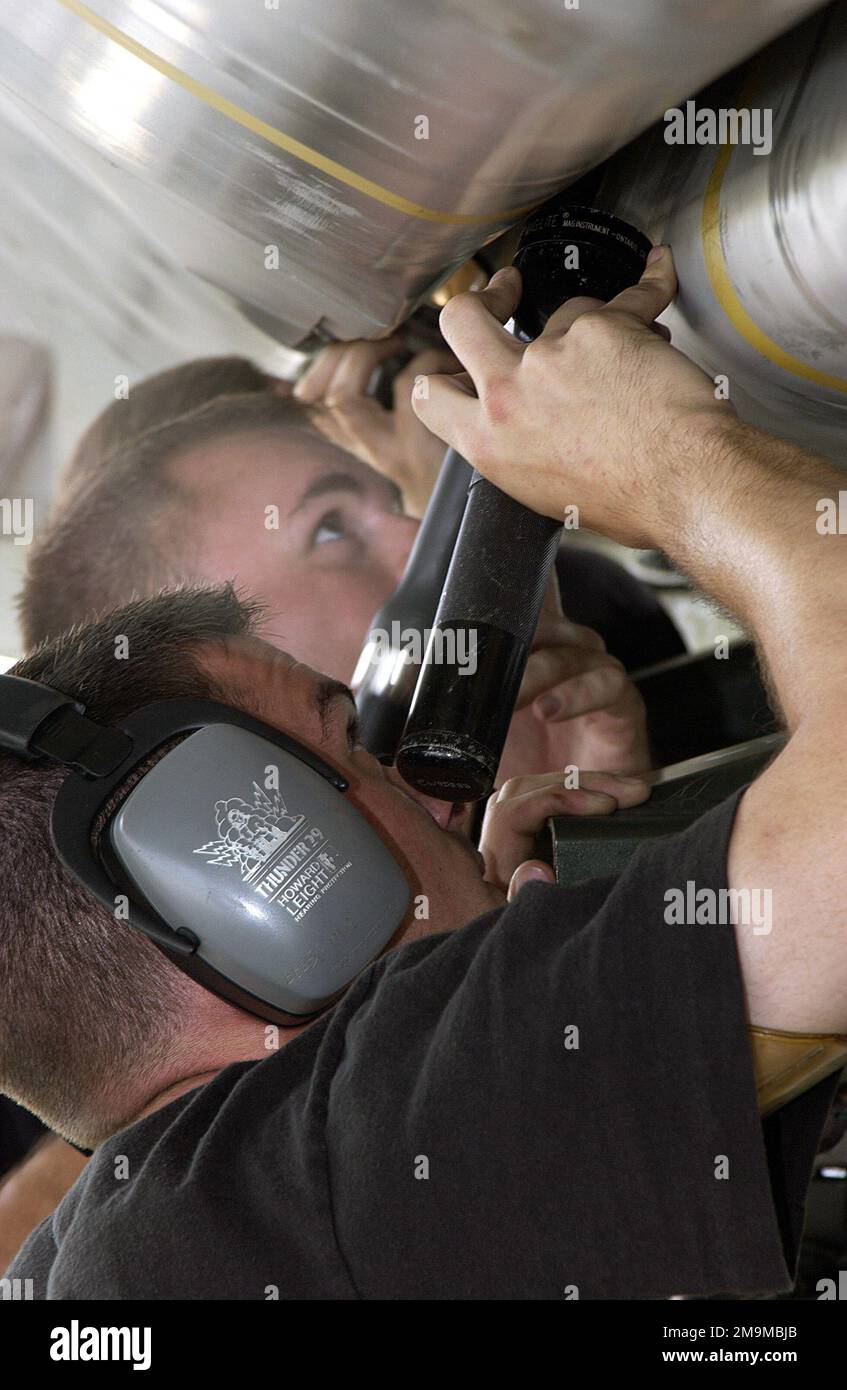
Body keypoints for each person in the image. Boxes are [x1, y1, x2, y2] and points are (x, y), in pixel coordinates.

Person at [4, 247, 847, 1298]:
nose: (439, 795)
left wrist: (545, 936)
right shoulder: (332, 1173)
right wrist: (672, 458)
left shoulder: (159, 1245)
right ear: (263, 882)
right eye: (351, 747)